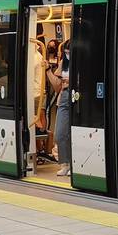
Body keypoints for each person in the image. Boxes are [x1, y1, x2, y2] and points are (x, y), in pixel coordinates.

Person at [48, 39, 72, 176]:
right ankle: (65, 163)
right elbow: (57, 86)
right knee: (60, 133)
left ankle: (73, 164)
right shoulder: (64, 64)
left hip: (77, 96)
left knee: (73, 134)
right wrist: (48, 71)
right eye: (66, 52)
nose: (67, 54)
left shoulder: (85, 62)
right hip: (63, 98)